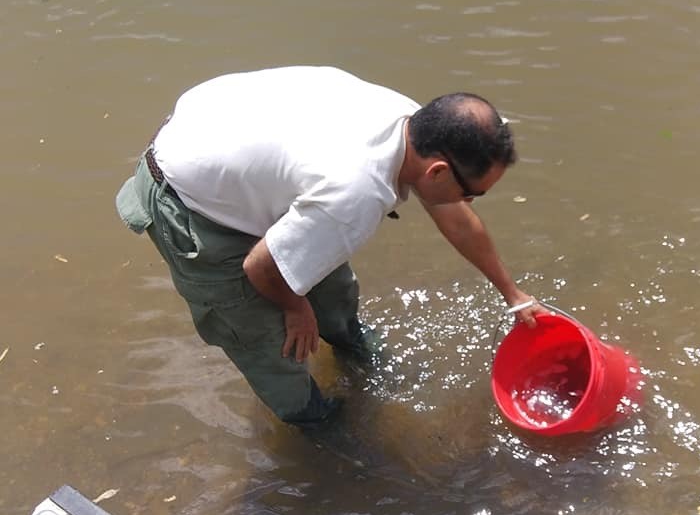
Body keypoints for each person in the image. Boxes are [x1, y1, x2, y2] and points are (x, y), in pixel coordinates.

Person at [116, 65, 545, 425]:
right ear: (436, 172)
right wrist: (295, 308)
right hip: (186, 198)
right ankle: (317, 423)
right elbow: (261, 269)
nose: (469, 202)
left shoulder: (414, 122)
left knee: (331, 286)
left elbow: (458, 220)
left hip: (228, 146)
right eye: (472, 192)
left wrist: (512, 294)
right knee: (269, 342)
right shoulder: (356, 193)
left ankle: (350, 344)